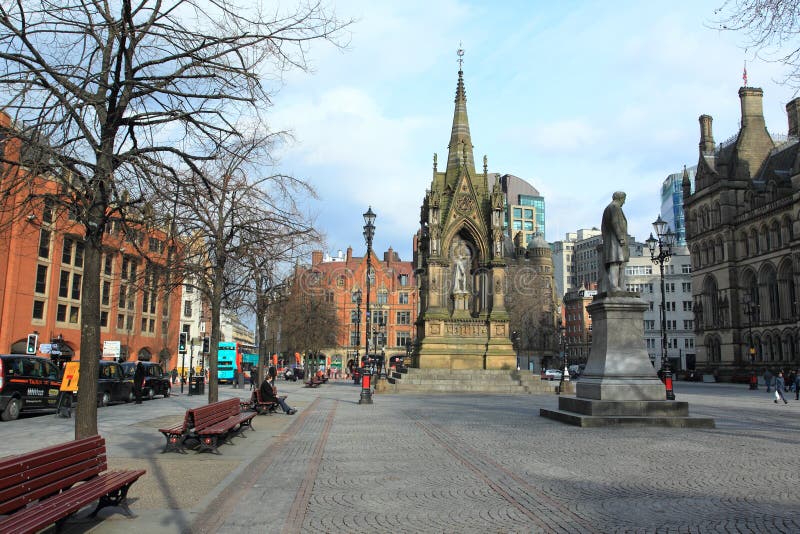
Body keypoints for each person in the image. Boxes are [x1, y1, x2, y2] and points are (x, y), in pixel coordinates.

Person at [601, 191, 629, 292]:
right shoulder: (614, 207)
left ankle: (620, 287)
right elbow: (615, 223)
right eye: (624, 200)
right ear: (620, 198)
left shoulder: (611, 207)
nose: (624, 202)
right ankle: (614, 286)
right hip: (615, 241)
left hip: (614, 240)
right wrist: (620, 237)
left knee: (620, 264)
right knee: (615, 262)